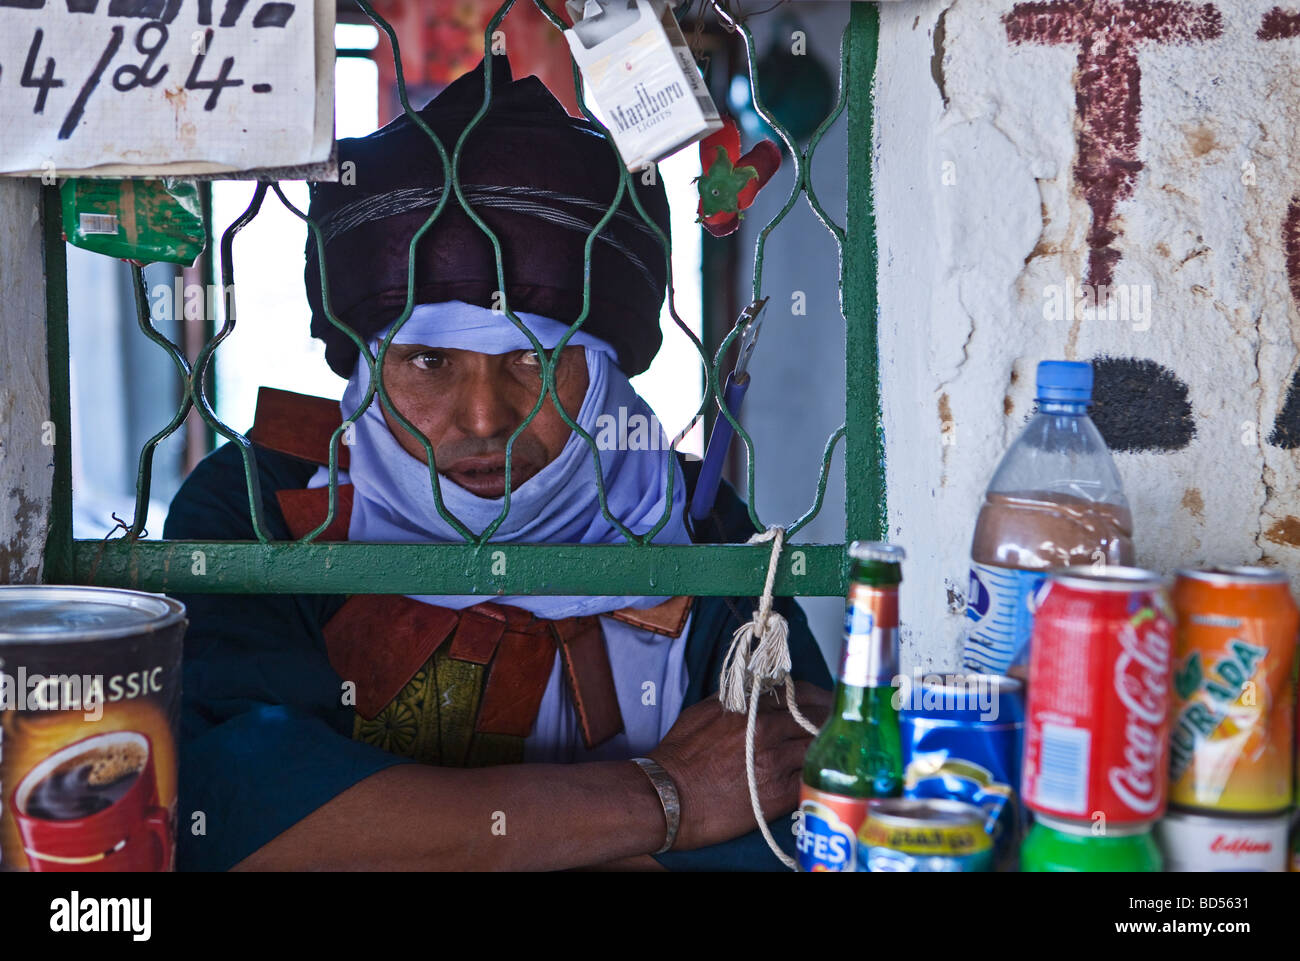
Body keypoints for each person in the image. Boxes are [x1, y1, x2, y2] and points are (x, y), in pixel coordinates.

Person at [163, 54, 831, 872]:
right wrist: (669, 798)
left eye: (536, 364)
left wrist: (403, 832)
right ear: (365, 371)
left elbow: (784, 791)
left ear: (603, 379)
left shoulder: (690, 521)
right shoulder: (255, 509)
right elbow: (232, 810)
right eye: (426, 363)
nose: (485, 420)